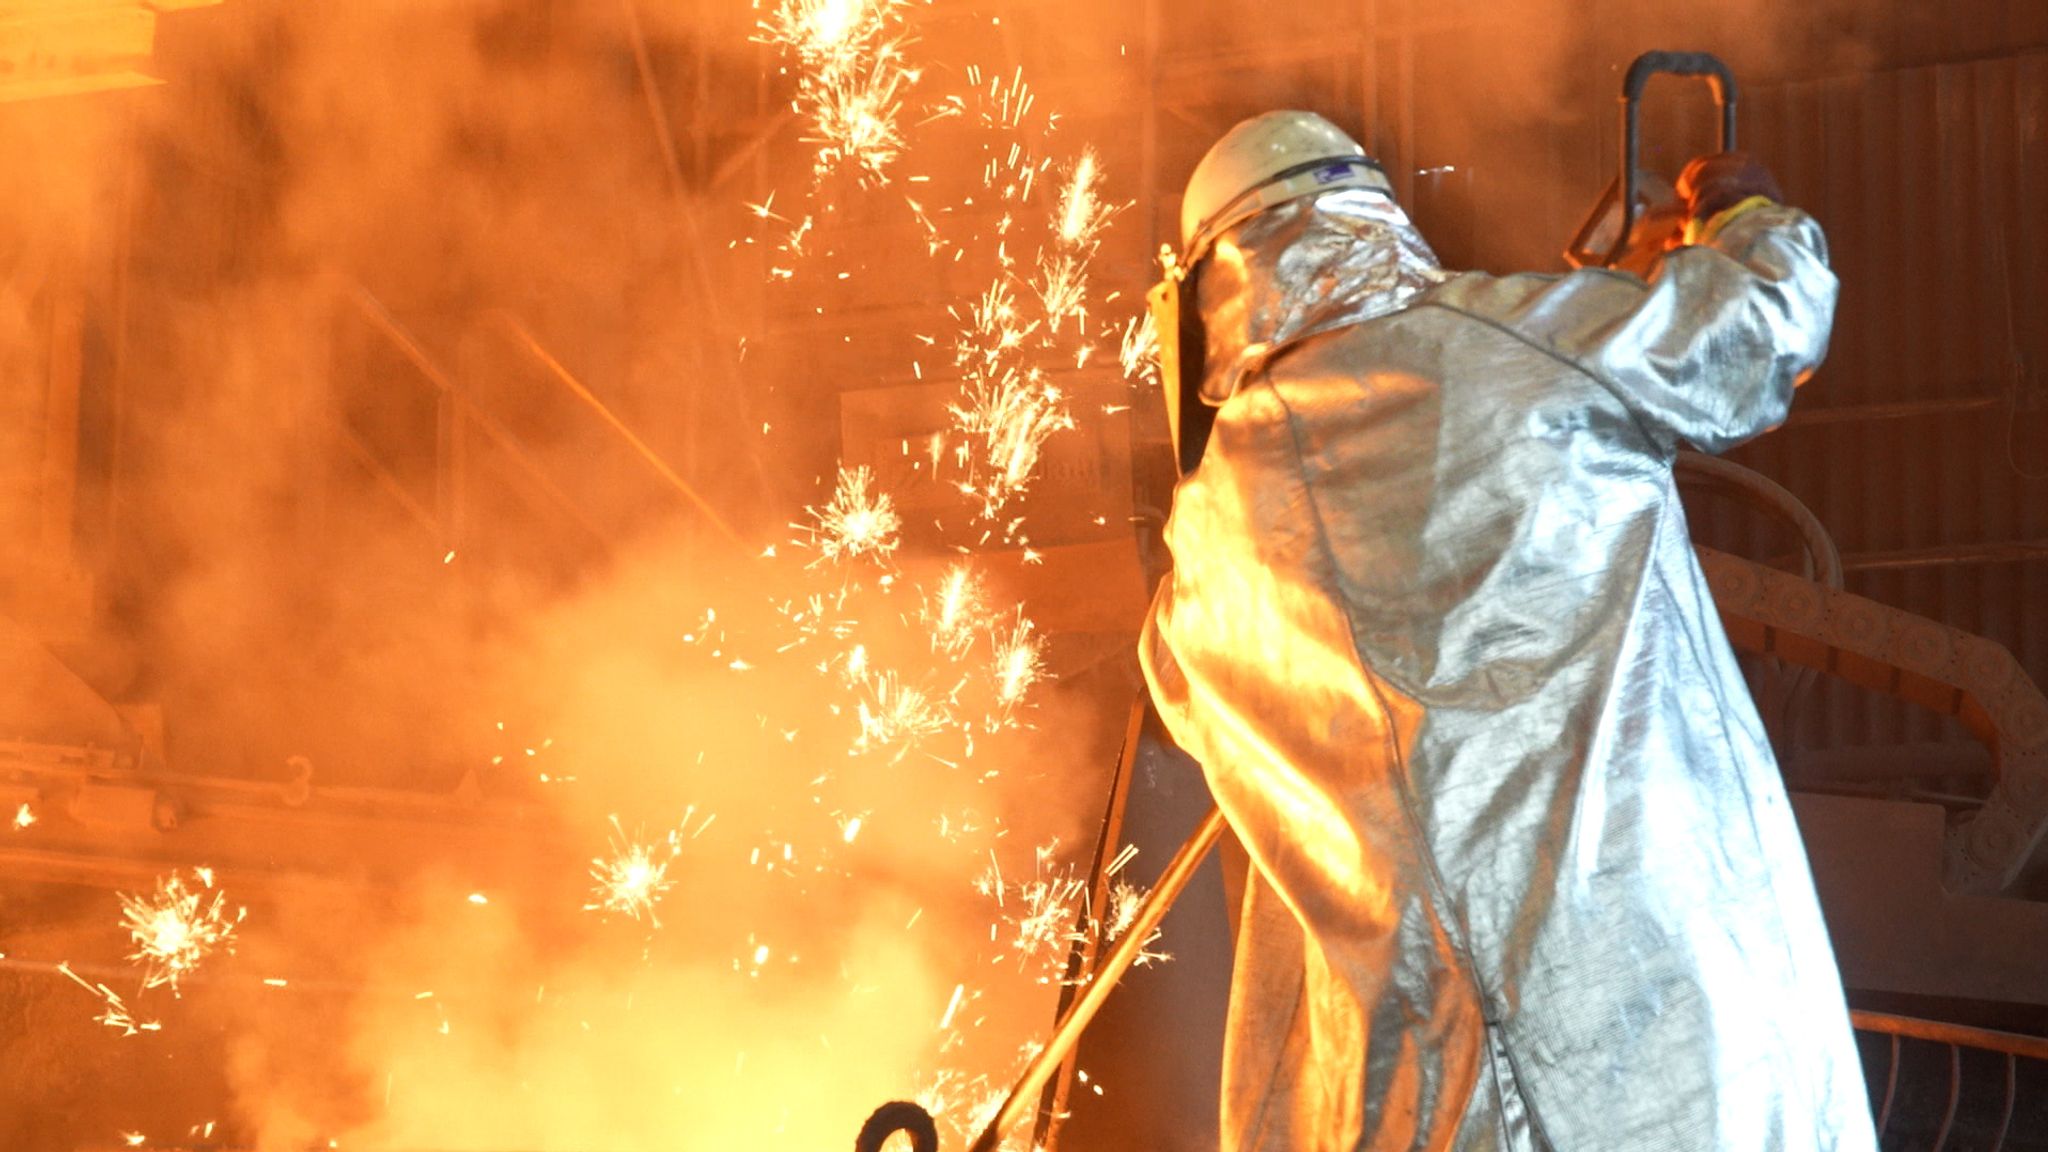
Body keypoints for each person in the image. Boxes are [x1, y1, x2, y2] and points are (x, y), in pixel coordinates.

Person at [1139, 111, 1876, 1150]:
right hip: (1661, 1058)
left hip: (1405, 1099)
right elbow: (1759, 324)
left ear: (1212, 283)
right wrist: (1739, 214)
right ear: (1370, 216)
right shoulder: (1531, 341)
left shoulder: (1202, 542)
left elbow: (1192, 702)